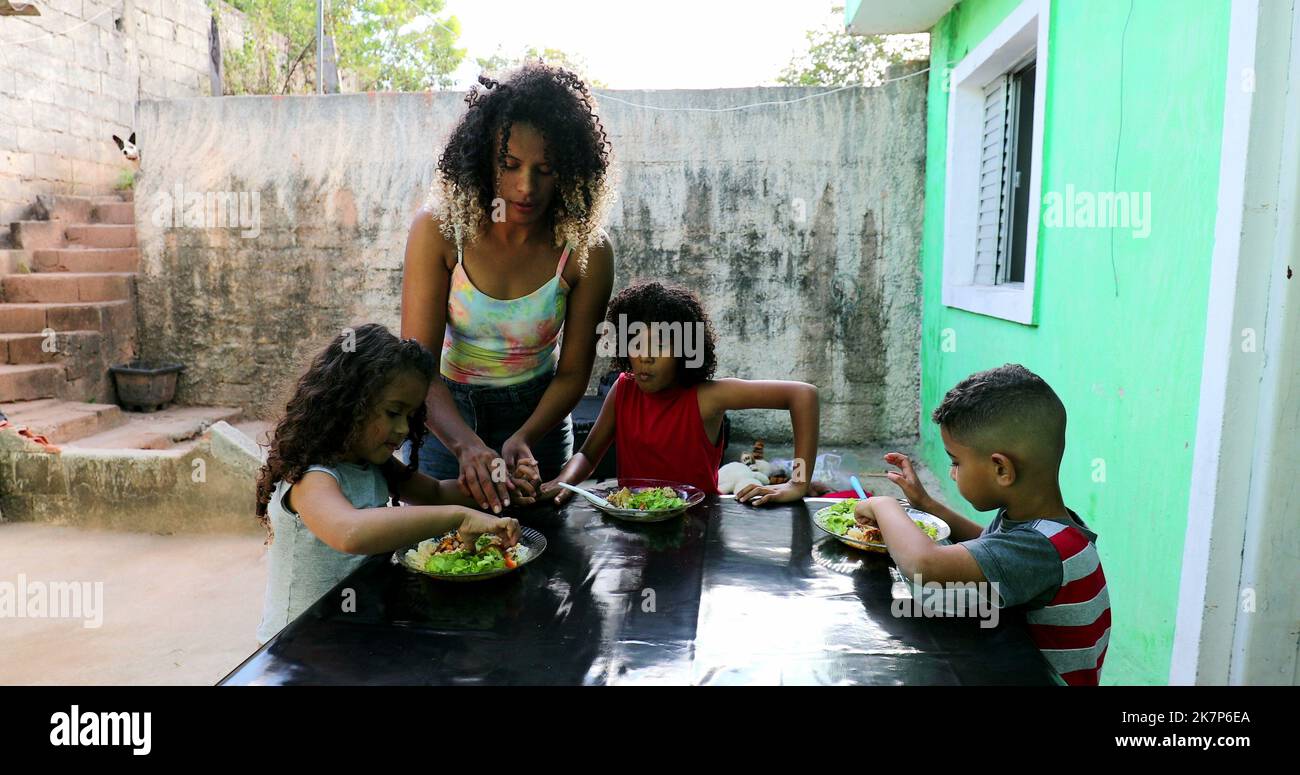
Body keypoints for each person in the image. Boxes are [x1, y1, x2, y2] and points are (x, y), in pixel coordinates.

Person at [400, 61, 616, 515]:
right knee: (441, 560)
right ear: (482, 159)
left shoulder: (587, 253)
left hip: (538, 429)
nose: (526, 187)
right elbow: (417, 364)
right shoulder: (439, 231)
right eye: (510, 165)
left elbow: (575, 373)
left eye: (547, 169)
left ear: (573, 170)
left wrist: (525, 436)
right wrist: (465, 446)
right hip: (445, 425)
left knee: (541, 562)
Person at [253, 324, 518, 644]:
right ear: (349, 403)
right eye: (394, 412)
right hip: (299, 647)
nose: (404, 428)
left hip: (356, 629)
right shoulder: (313, 477)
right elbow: (349, 532)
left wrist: (505, 486)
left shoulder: (372, 463)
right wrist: (459, 518)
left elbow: (434, 493)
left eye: (411, 415)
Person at [857, 364, 1110, 685]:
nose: (951, 472)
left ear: (1001, 469)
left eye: (955, 461)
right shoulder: (1047, 525)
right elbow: (992, 552)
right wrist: (927, 505)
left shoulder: (1042, 550)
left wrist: (884, 505)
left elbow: (926, 565)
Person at [534, 280, 820, 507]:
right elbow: (587, 455)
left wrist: (798, 482)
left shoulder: (708, 398)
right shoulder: (624, 389)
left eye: (660, 346)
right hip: (634, 531)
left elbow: (803, 396)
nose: (645, 356)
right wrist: (563, 481)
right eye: (635, 343)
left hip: (699, 533)